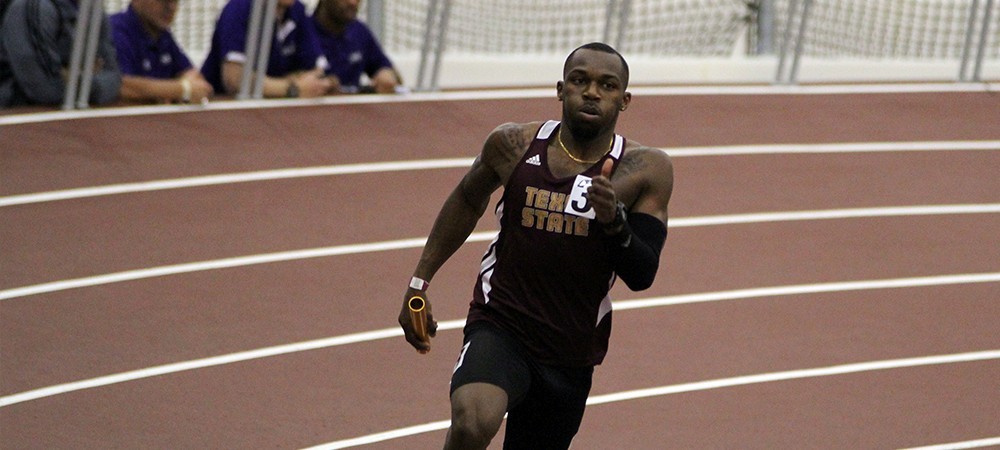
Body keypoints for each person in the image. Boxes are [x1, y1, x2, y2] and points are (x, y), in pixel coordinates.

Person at [397, 42, 673, 449]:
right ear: (561, 90)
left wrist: (615, 222)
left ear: (624, 99)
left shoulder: (645, 170)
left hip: (570, 350)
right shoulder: (512, 145)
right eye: (580, 81)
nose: (592, 92)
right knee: (473, 420)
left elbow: (642, 274)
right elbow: (467, 200)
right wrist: (419, 283)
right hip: (502, 324)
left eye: (607, 85)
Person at [0, 0, 121, 107]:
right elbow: (45, 89)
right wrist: (89, 76)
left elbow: (114, 80)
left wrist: (71, 76)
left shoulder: (94, 11)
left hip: (74, 118)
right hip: (19, 117)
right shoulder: (34, 6)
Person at [201, 0, 331, 98]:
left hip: (274, 110)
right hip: (224, 109)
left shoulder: (296, 10)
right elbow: (235, 80)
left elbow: (316, 72)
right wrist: (293, 88)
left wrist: (280, 85)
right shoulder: (239, 9)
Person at [110, 0, 212, 104]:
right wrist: (180, 90)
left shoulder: (163, 35)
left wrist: (173, 90)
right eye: (163, 1)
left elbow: (194, 79)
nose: (171, 8)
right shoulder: (115, 30)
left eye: (175, 2)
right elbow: (120, 86)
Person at [310, 0, 401, 94]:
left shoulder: (359, 31)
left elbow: (390, 73)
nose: (352, 2)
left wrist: (387, 77)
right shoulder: (302, 34)